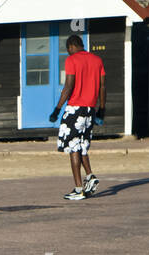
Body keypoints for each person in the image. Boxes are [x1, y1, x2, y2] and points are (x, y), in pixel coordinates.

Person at [49, 35, 106, 201]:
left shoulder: (72, 60)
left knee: (73, 148)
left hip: (74, 109)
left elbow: (68, 85)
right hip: (90, 110)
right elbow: (102, 87)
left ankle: (78, 189)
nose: (68, 53)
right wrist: (102, 109)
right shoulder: (97, 60)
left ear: (72, 46)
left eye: (68, 49)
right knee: (82, 146)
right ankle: (89, 176)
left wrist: (57, 109)